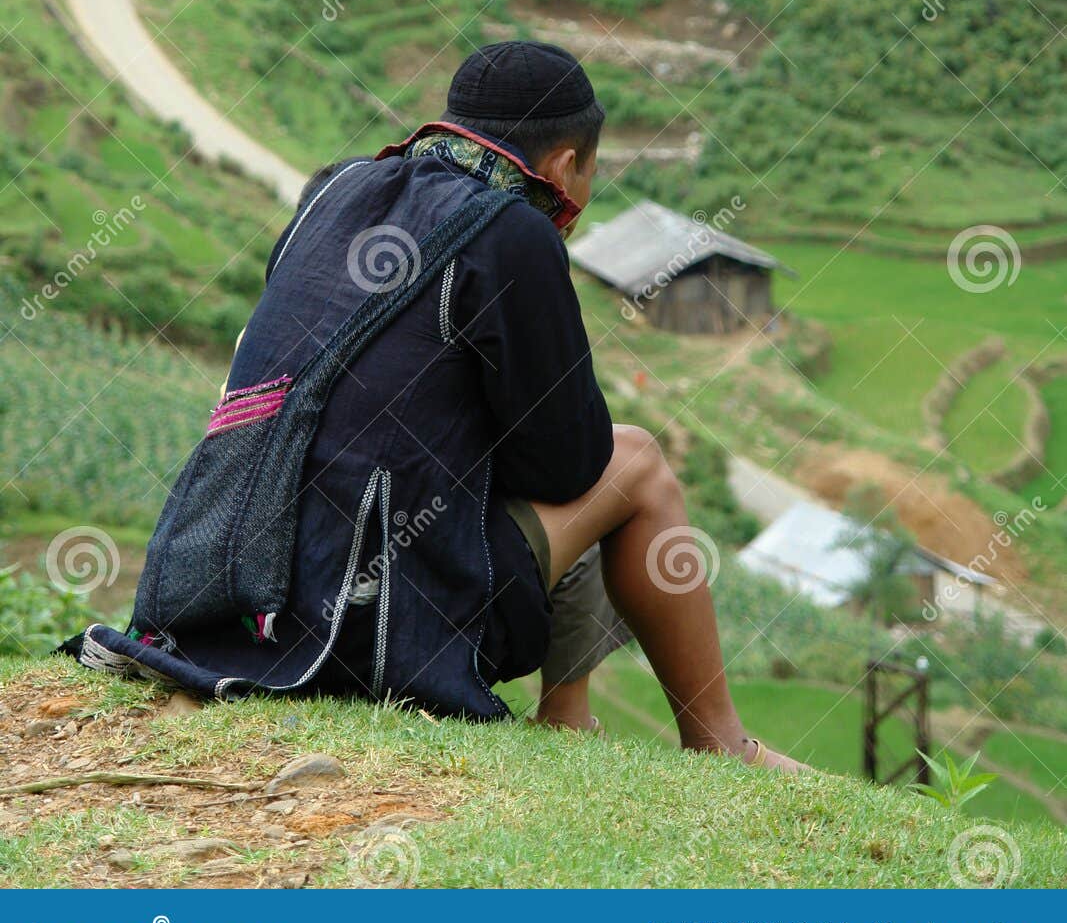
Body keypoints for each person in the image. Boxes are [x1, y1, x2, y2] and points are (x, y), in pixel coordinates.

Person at [66, 41, 802, 771]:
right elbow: (568, 463)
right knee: (633, 459)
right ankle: (716, 741)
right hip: (372, 615)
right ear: (565, 165)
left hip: (231, 583)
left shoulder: (334, 187)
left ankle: (570, 716)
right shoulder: (513, 231)